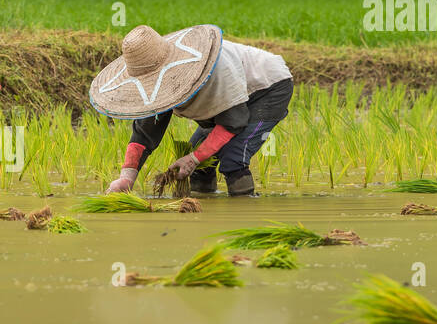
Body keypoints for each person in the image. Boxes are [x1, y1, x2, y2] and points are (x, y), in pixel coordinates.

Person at [88, 23, 293, 197]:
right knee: (200, 169)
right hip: (227, 106)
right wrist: (127, 177)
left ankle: (243, 209)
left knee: (234, 159)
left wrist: (194, 158)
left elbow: (233, 122)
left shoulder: (217, 71)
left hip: (267, 89)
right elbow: (144, 134)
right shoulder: (157, 90)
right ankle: (202, 207)